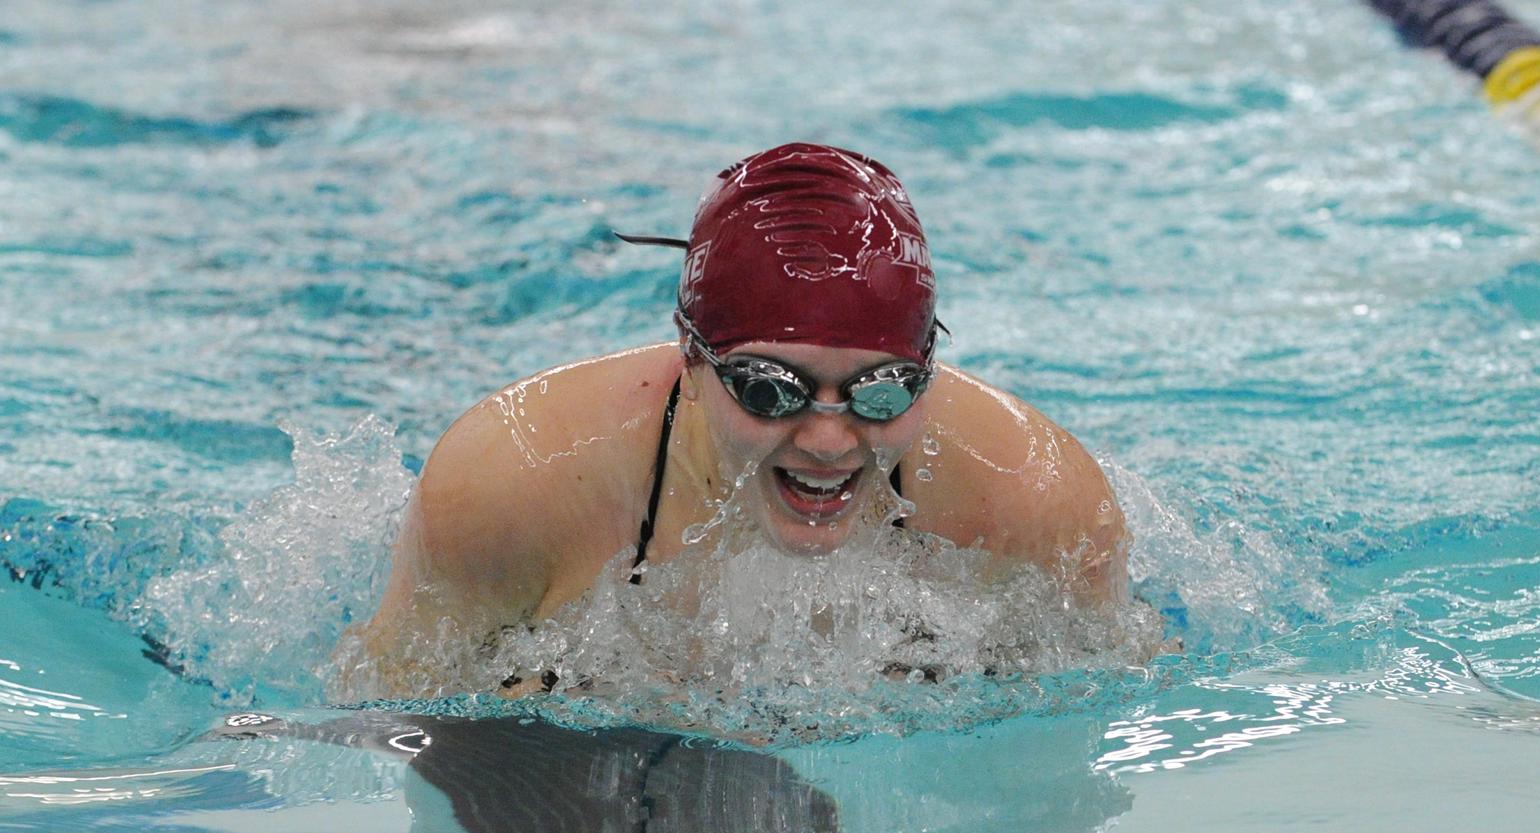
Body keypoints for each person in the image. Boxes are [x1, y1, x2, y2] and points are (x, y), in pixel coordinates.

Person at [355, 143, 1130, 696]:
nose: (829, 441)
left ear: (930, 368)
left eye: (884, 390)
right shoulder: (513, 484)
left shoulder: (1035, 502)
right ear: (690, 360)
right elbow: (387, 715)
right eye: (769, 390)